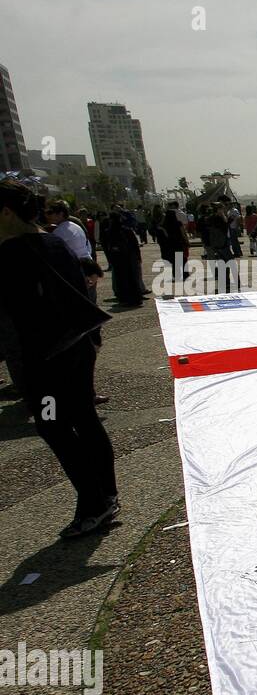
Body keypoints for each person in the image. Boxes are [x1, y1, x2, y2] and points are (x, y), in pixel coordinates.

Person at [0, 174, 118, 538]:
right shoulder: (53, 242)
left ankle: (94, 503)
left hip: (45, 363)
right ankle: (107, 495)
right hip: (76, 350)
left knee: (53, 425)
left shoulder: (13, 253)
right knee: (84, 419)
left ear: (5, 213)